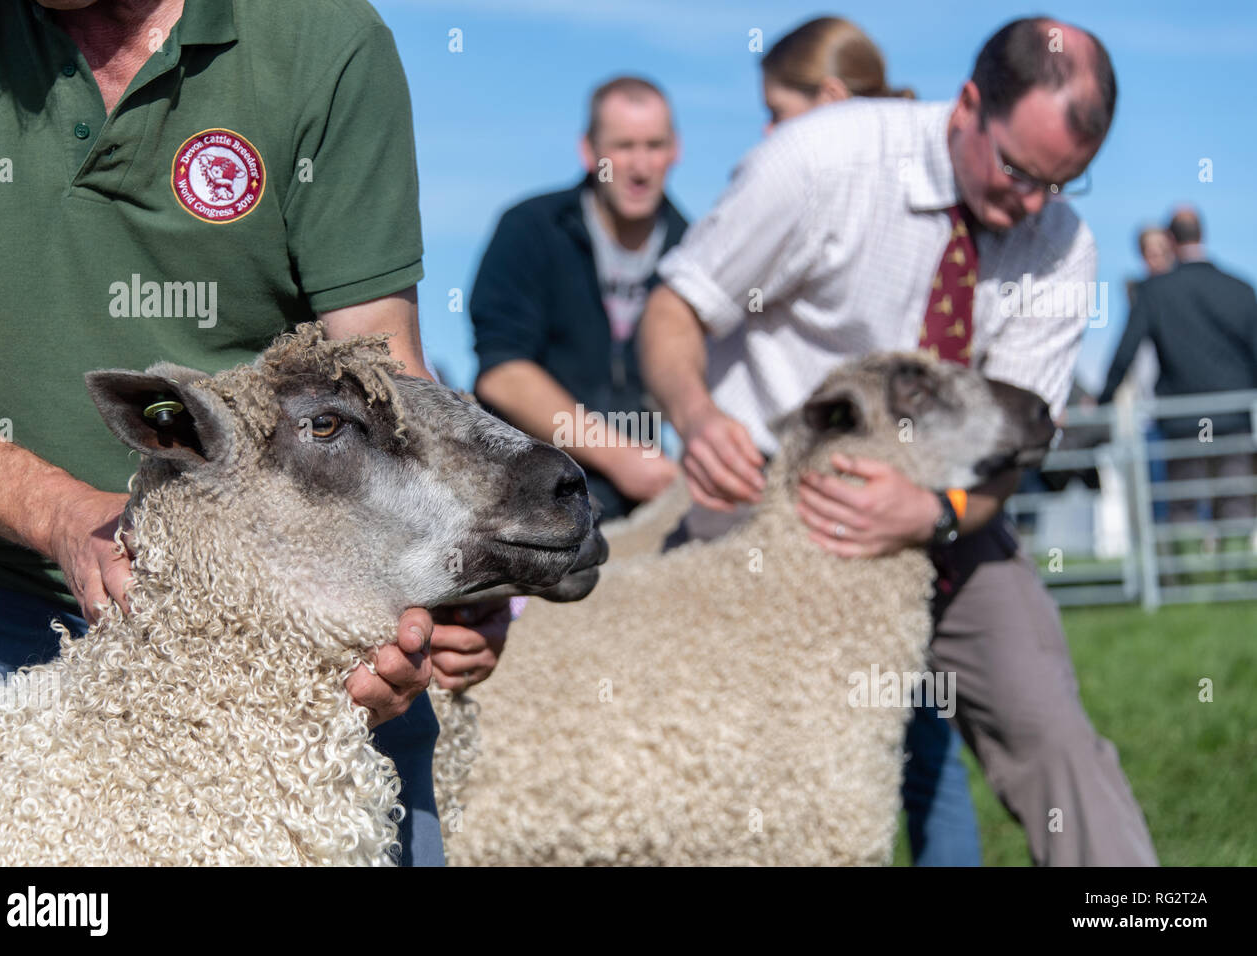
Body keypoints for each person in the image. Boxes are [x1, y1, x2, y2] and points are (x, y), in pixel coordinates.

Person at [0, 0, 506, 867]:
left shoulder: (320, 41)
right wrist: (58, 513)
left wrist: (453, 558)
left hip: (288, 647)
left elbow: (379, 366)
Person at [640, 16, 1158, 864]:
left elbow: (1014, 445)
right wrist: (699, 420)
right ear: (966, 107)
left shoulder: (1063, 247)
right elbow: (676, 310)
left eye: (1062, 184)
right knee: (720, 748)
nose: (1032, 204)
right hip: (763, 496)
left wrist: (935, 511)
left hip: (946, 512)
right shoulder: (819, 162)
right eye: (1019, 171)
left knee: (1050, 730)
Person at [742, 15, 981, 867]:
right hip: (894, 493)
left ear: (832, 101)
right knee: (918, 735)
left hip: (841, 496)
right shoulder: (909, 186)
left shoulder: (827, 184)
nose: (769, 131)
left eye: (780, 109)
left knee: (884, 735)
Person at [470, 76, 686, 521]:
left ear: (675, 151)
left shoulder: (697, 250)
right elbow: (503, 372)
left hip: (645, 506)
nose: (640, 165)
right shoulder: (530, 229)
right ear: (589, 151)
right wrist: (623, 459)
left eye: (654, 145)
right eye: (623, 146)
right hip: (526, 499)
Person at [1099, 208, 1257, 550]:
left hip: (1182, 421)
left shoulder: (1155, 292)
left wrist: (1102, 399)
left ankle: (1191, 583)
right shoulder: (1241, 289)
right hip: (1236, 419)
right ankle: (1234, 576)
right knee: (1236, 499)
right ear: (1203, 233)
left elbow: (1125, 351)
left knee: (1183, 502)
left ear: (1171, 240)